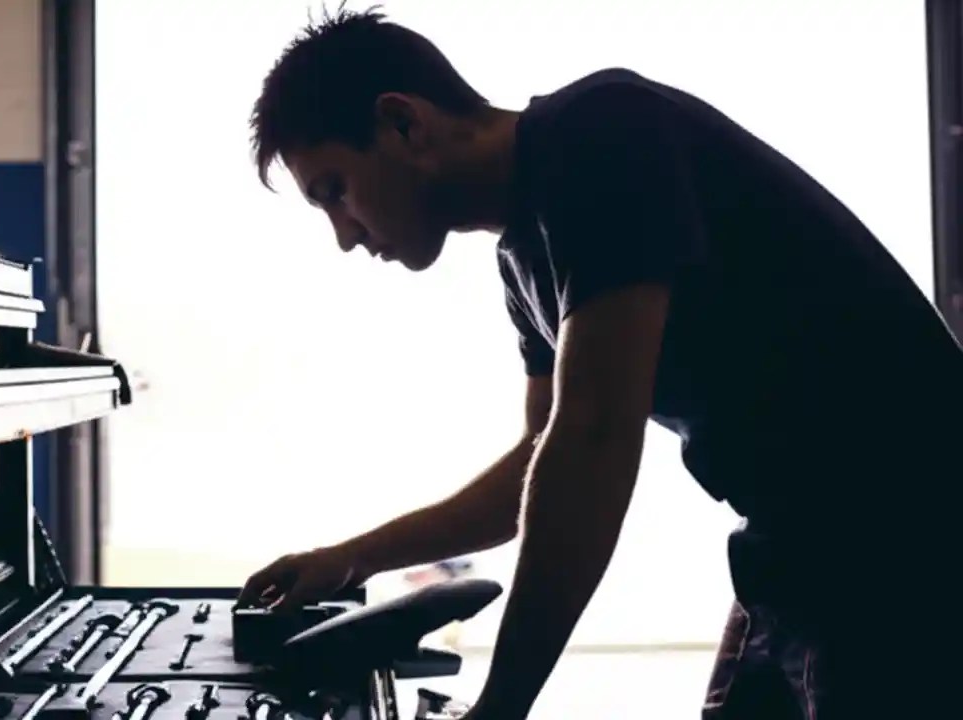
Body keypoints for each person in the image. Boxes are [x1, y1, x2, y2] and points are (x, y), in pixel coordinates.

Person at [238, 7, 963, 719]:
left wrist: (501, 706)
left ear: (404, 123)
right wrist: (351, 558)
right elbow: (536, 467)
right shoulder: (525, 261)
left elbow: (592, 438)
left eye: (334, 191)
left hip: (908, 540)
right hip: (794, 548)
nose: (343, 236)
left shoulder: (600, 130)